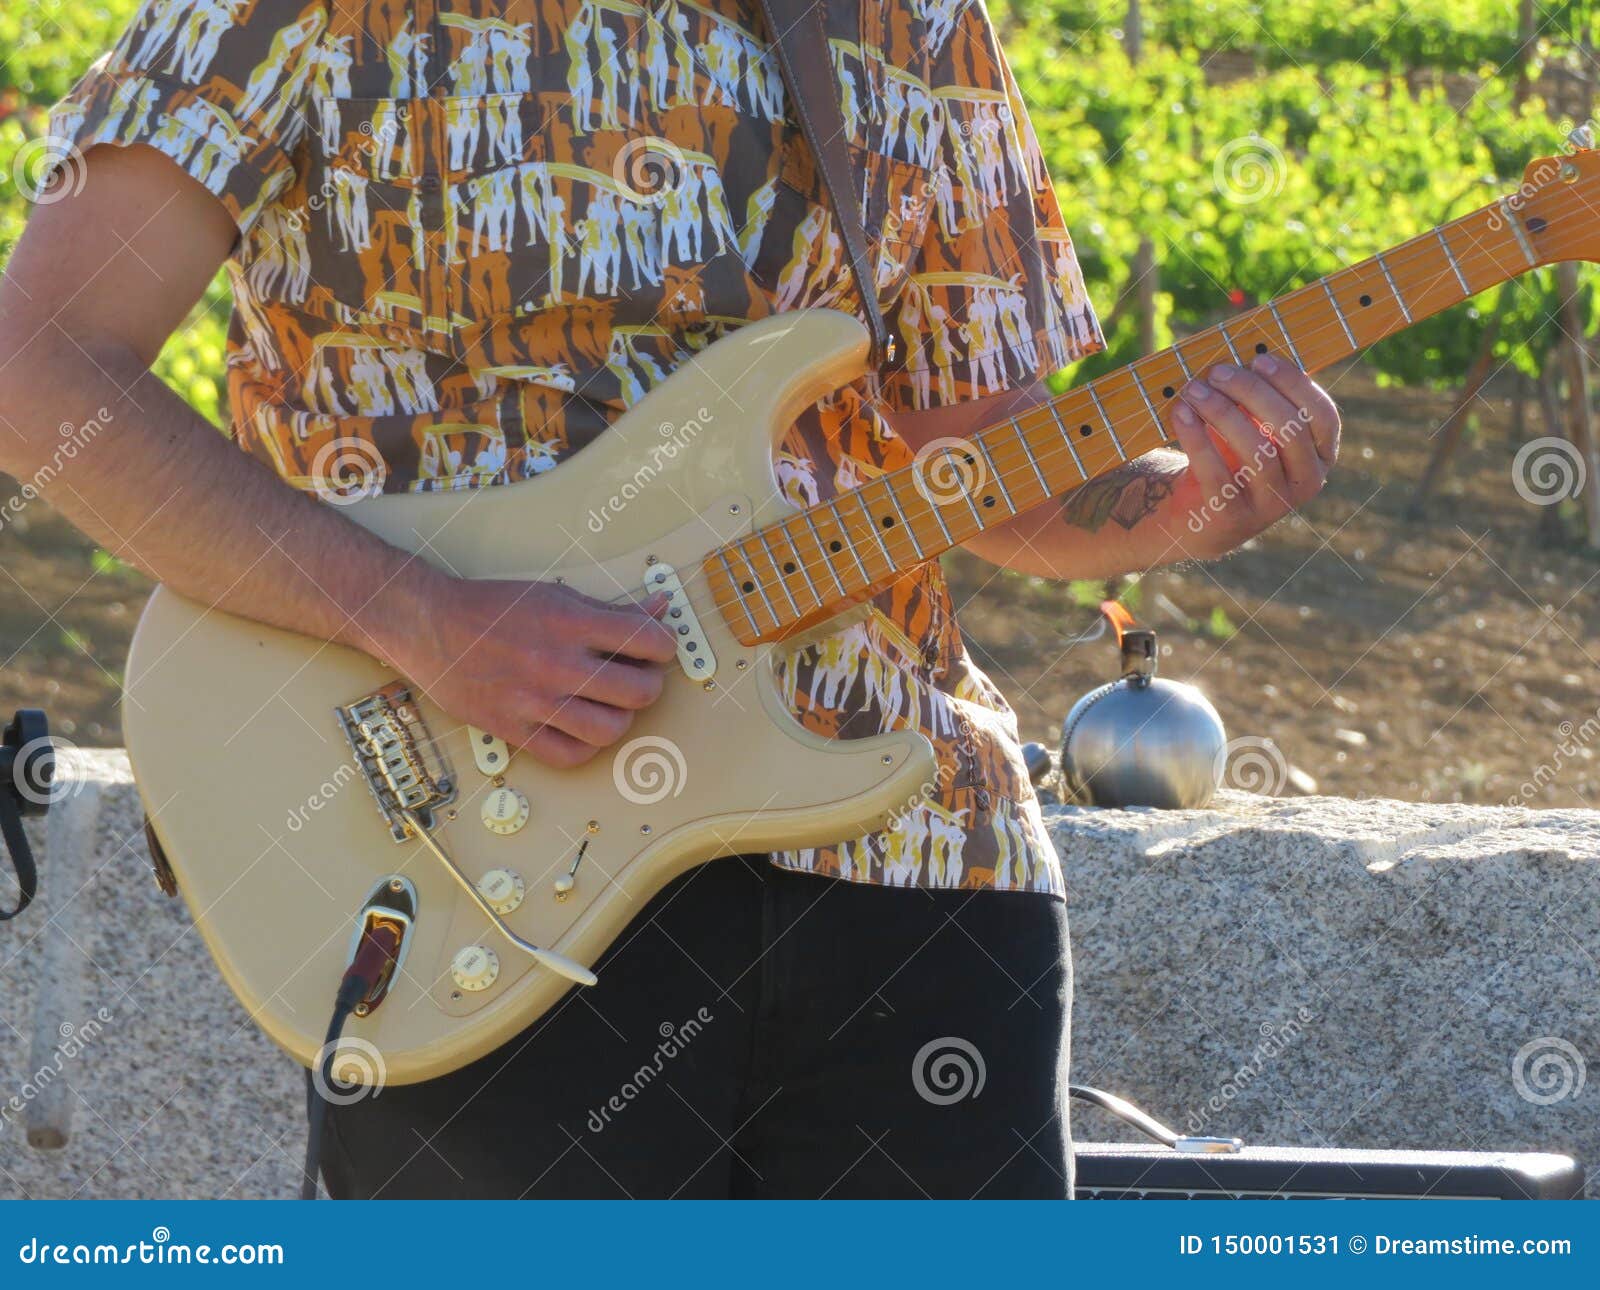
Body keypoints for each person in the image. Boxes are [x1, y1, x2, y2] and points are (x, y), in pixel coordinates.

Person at [0, 0, 1339, 1198]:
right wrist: (412, 614)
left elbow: (987, 466)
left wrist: (1186, 501)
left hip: (919, 871)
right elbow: (39, 367)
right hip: (500, 876)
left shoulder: (912, 21)